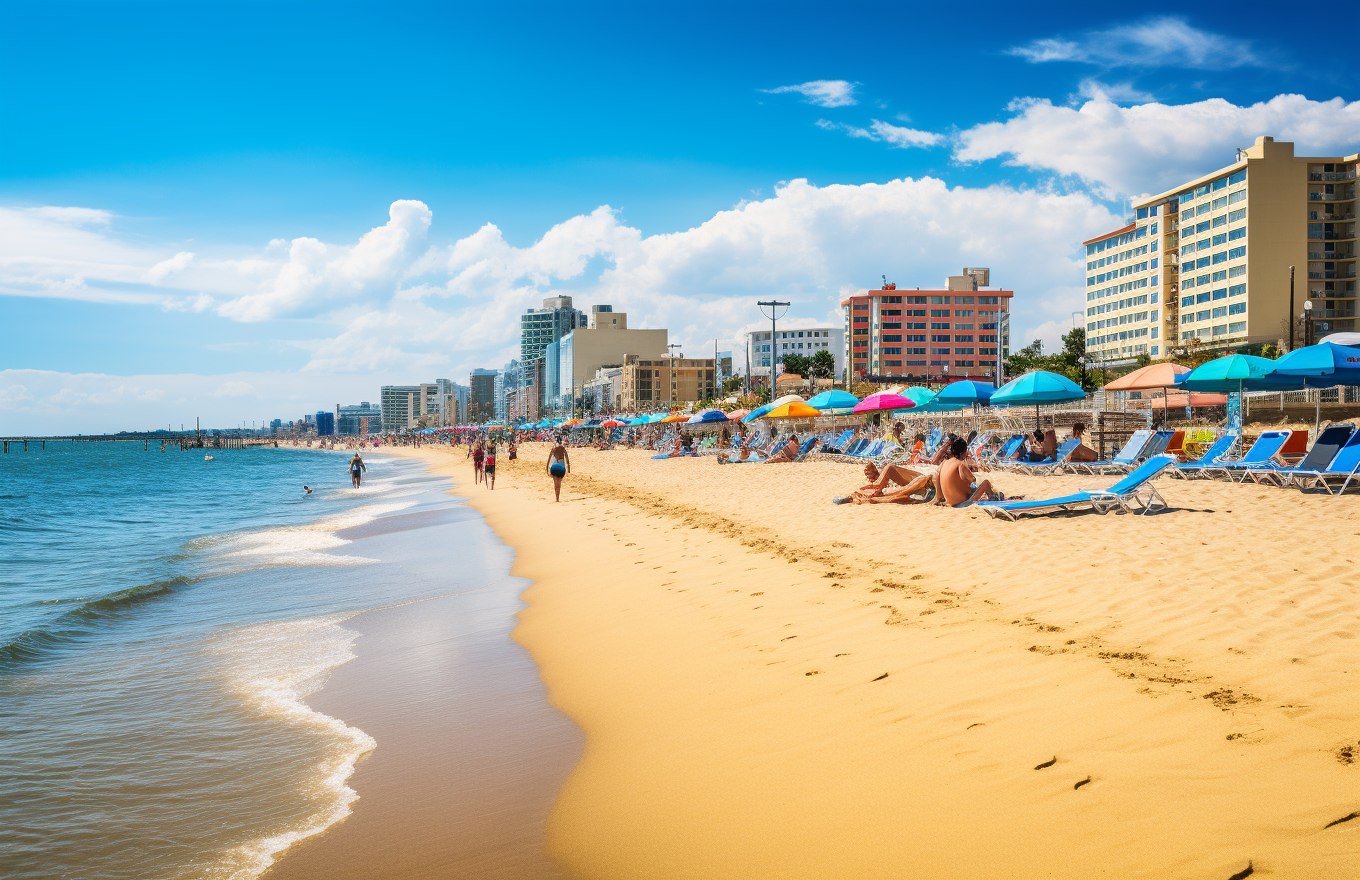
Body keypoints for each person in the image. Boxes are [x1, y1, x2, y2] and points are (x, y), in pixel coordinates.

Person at [936, 437, 1007, 507]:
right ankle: (992, 498)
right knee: (986, 483)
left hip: (949, 502)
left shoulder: (944, 463)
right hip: (961, 504)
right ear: (962, 453)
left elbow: (937, 481)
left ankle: (991, 497)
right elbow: (973, 480)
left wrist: (938, 499)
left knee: (970, 487)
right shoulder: (960, 465)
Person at [834, 461, 935, 504]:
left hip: (919, 481)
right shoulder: (885, 482)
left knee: (889, 468)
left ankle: (851, 497)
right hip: (916, 481)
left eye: (868, 474)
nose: (867, 476)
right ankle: (851, 497)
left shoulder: (883, 479)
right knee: (888, 470)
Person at [547, 436, 570, 502]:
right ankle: (558, 498)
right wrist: (568, 469)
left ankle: (556, 498)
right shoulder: (563, 448)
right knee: (559, 483)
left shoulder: (554, 448)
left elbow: (549, 459)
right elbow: (567, 459)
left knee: (555, 483)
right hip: (561, 467)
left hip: (554, 466)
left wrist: (547, 469)